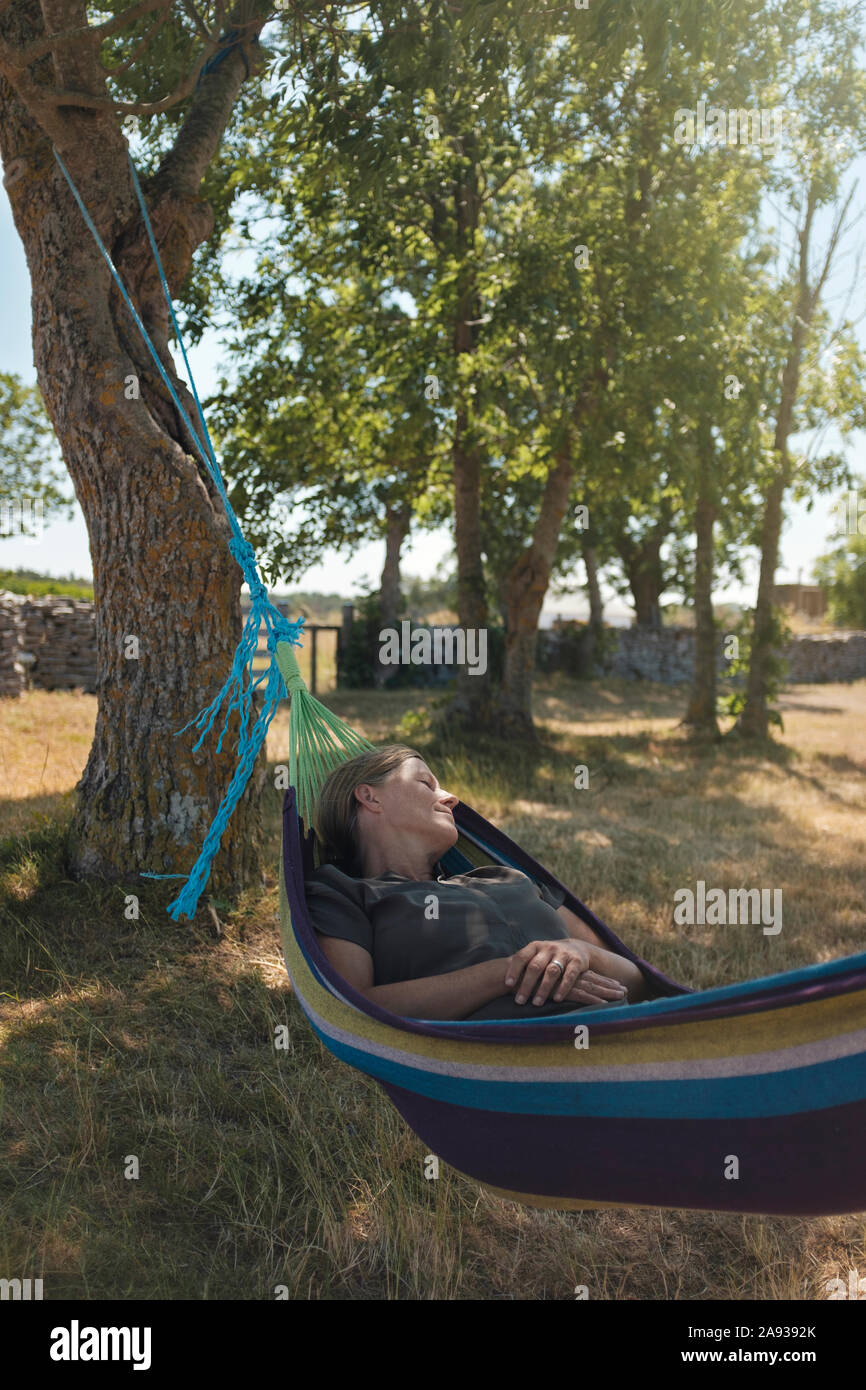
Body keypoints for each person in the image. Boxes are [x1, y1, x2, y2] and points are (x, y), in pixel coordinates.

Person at [305, 744, 653, 1021]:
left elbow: (637, 982)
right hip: (515, 1058)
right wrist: (505, 973)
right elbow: (354, 1008)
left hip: (623, 1040)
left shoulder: (505, 876)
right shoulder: (344, 892)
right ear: (370, 797)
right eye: (426, 783)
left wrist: (580, 952)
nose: (451, 799)